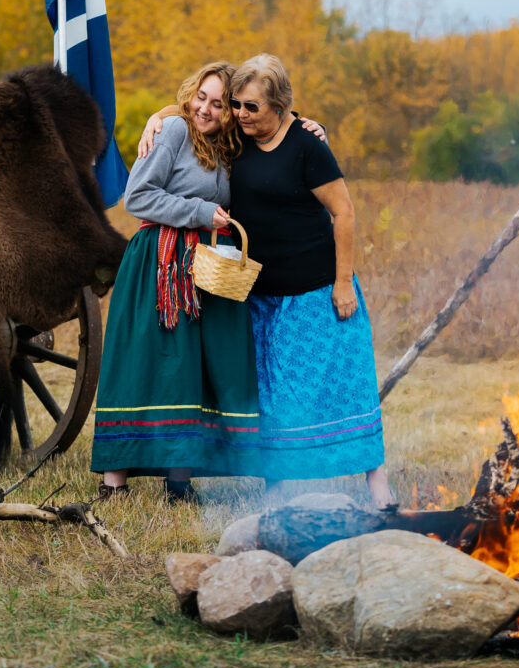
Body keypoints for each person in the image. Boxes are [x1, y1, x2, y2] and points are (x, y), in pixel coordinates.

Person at [139, 55, 394, 507]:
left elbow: (344, 213)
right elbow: (197, 110)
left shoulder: (308, 146)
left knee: (346, 387)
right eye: (236, 104)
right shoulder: (238, 139)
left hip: (316, 291)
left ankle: (377, 483)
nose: (239, 113)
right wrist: (155, 118)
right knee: (271, 400)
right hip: (259, 297)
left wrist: (343, 282)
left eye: (251, 106)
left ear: (279, 106)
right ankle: (275, 488)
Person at [89, 62, 260, 503]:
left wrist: (311, 127)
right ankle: (113, 483)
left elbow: (269, 118)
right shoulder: (174, 131)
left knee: (189, 368)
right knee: (142, 363)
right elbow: (138, 196)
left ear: (231, 110)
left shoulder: (228, 146)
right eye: (201, 97)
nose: (205, 109)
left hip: (202, 267)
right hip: (158, 263)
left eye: (218, 104)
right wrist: (199, 212)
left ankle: (178, 481)